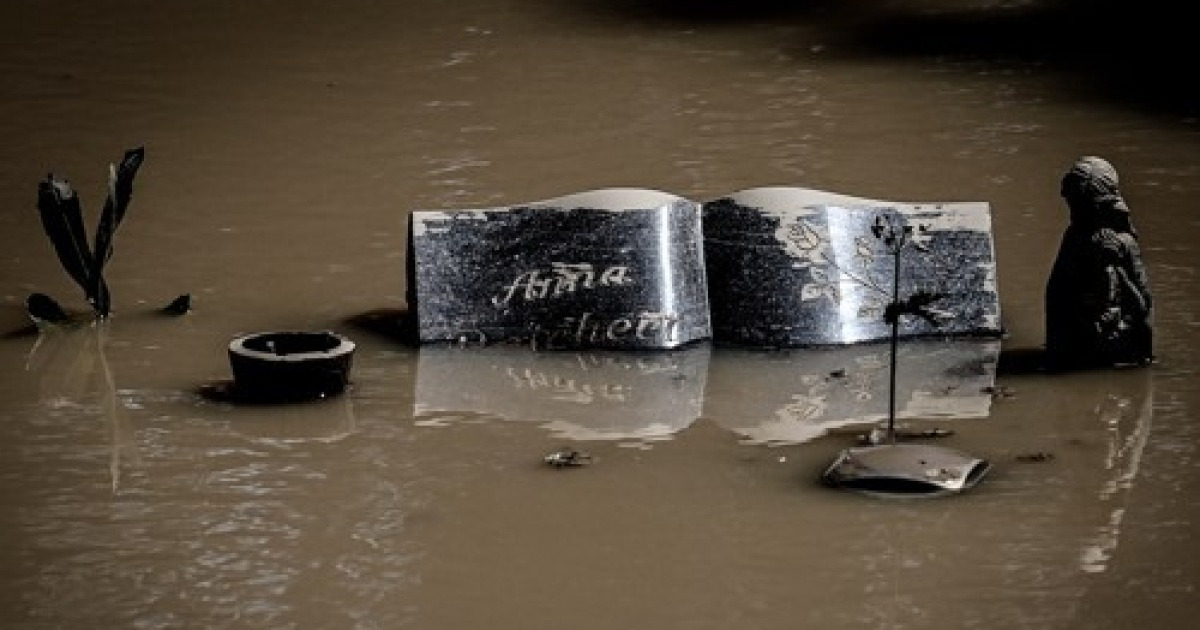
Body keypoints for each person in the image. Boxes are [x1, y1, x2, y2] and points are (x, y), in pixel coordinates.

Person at [1045, 156, 1154, 371]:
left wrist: (1117, 265)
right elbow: (1058, 296)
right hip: (1083, 339)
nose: (1075, 213)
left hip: (1119, 338)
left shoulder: (1124, 243)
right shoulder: (1075, 240)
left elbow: (1143, 306)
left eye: (1083, 207)